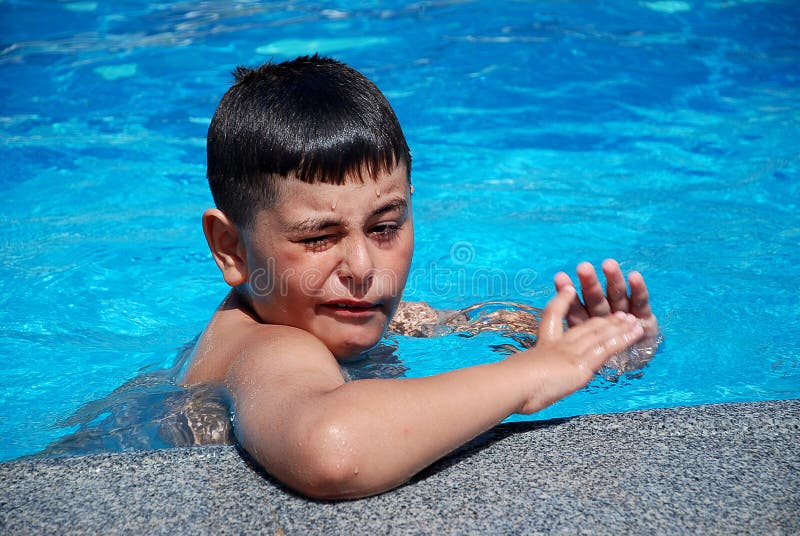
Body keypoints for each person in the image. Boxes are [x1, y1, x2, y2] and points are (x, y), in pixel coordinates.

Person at [181, 54, 659, 499]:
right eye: (318, 239)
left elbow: (450, 321)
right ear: (231, 248)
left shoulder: (317, 314)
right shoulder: (270, 346)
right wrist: (529, 376)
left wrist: (603, 345)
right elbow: (332, 449)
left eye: (385, 227)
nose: (363, 269)